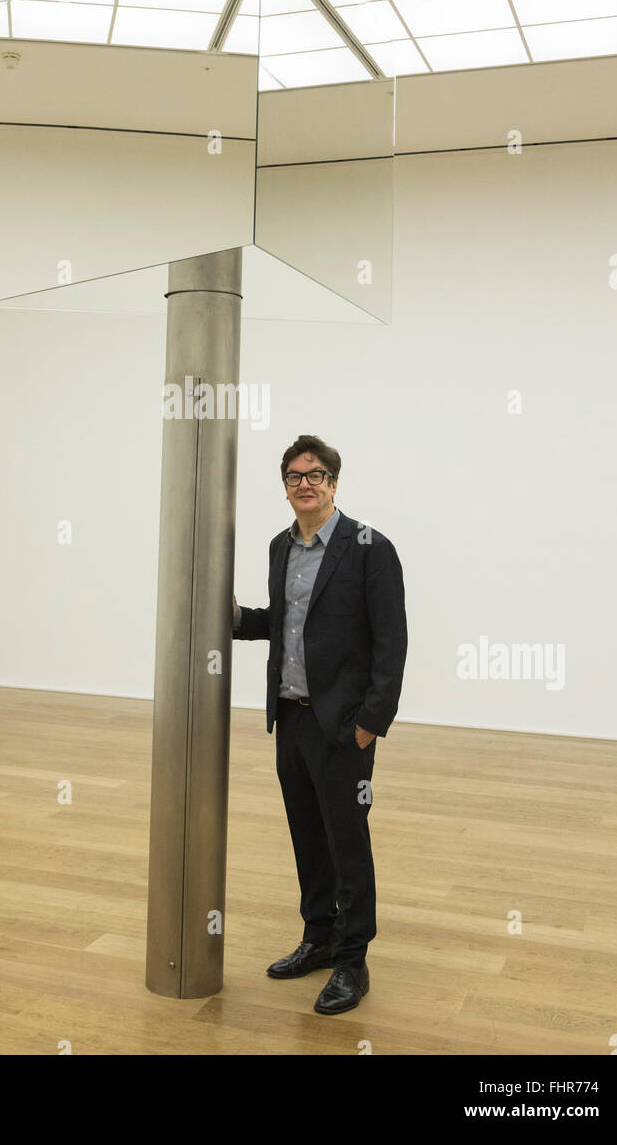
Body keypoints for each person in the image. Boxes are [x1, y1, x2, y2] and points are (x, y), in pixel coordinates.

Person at [232, 433, 407, 1014]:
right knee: (308, 835)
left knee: (346, 841)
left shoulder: (368, 546)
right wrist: (231, 616)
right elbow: (282, 623)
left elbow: (391, 641)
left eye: (315, 474)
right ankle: (320, 937)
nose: (304, 483)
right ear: (285, 488)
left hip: (342, 727)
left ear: (334, 483)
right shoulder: (282, 547)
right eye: (293, 476)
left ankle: (353, 960)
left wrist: (370, 723)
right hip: (291, 718)